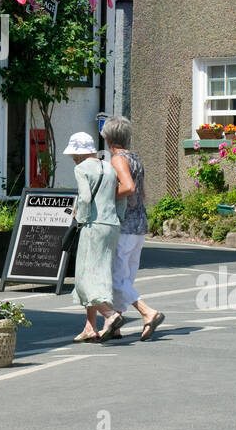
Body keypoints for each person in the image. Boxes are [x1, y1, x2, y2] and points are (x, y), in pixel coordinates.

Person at [103, 114, 165, 341]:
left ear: (109, 139)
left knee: (116, 278)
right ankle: (115, 325)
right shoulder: (136, 158)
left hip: (125, 224)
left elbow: (128, 187)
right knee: (126, 277)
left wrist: (107, 196)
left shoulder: (118, 159)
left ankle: (148, 312)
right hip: (139, 223)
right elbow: (142, 192)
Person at [63, 132, 125, 343]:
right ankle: (90, 326)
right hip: (112, 225)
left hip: (93, 226)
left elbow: (85, 198)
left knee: (83, 278)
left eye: (72, 153)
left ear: (78, 153)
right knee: (101, 274)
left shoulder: (80, 168)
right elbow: (121, 198)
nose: (72, 157)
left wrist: (78, 218)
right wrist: (119, 217)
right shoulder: (109, 167)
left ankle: (110, 315)